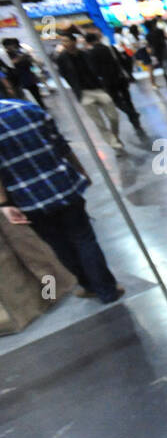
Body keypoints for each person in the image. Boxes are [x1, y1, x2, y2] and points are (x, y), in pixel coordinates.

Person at [0, 97, 123, 303]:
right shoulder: (27, 108)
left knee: (58, 244)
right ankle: (107, 290)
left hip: (27, 198)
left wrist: (4, 203)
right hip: (62, 184)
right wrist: (80, 169)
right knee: (84, 238)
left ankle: (88, 286)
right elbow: (60, 144)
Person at [53, 31, 124, 152]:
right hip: (83, 93)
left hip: (97, 88)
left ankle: (115, 136)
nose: (64, 44)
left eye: (66, 41)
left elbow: (97, 69)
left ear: (74, 41)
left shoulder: (86, 54)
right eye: (62, 42)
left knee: (114, 116)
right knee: (98, 122)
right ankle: (113, 143)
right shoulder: (62, 59)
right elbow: (64, 74)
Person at [82, 28, 145, 141]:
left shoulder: (90, 54)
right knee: (128, 100)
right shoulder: (110, 48)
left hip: (107, 82)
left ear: (88, 42)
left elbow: (94, 70)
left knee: (117, 101)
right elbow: (123, 61)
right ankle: (136, 123)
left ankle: (130, 113)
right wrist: (129, 75)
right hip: (120, 77)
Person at [2, 38, 45, 107]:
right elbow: (10, 64)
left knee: (36, 92)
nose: (14, 47)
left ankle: (41, 105)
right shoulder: (5, 56)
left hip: (29, 75)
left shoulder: (19, 52)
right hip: (18, 79)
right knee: (25, 96)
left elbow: (30, 63)